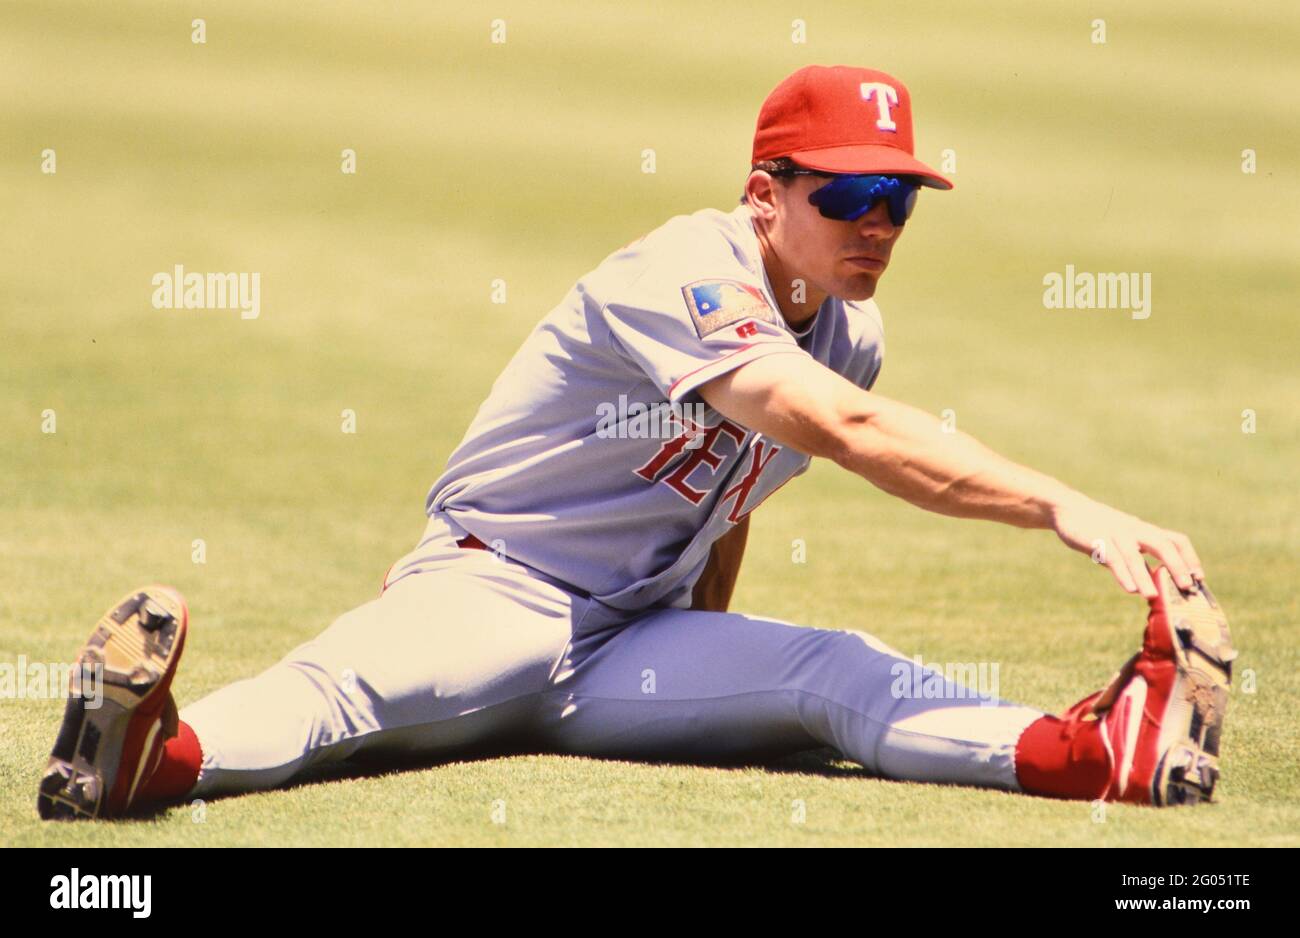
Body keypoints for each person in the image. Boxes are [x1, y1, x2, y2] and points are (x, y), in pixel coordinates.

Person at [38, 65, 1234, 822]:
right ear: (765, 193)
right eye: (848, 196)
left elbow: (736, 492)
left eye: (899, 200)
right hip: (496, 586)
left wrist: (704, 663)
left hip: (635, 644)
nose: (878, 225)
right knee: (334, 695)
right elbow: (835, 427)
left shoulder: (850, 332)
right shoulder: (682, 270)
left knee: (839, 669)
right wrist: (1066, 505)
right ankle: (152, 757)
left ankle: (1090, 751)